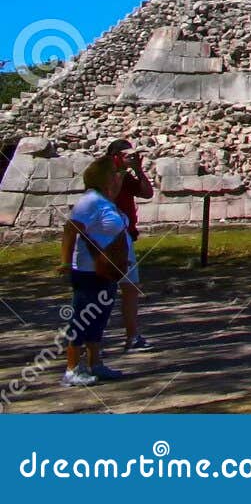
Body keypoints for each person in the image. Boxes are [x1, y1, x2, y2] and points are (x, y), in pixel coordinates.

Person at [59, 156, 130, 387]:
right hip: (89, 271)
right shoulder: (89, 202)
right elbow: (71, 230)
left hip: (107, 271)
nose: (117, 178)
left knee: (99, 320)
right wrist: (65, 262)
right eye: (113, 174)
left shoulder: (105, 202)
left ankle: (95, 364)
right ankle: (72, 368)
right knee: (81, 319)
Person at [106, 139, 153, 351]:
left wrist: (138, 171)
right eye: (126, 155)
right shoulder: (103, 174)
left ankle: (132, 336)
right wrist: (121, 172)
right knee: (101, 291)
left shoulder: (128, 176)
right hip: (105, 238)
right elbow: (109, 196)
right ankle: (88, 341)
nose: (130, 159)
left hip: (125, 237)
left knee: (130, 288)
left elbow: (147, 193)